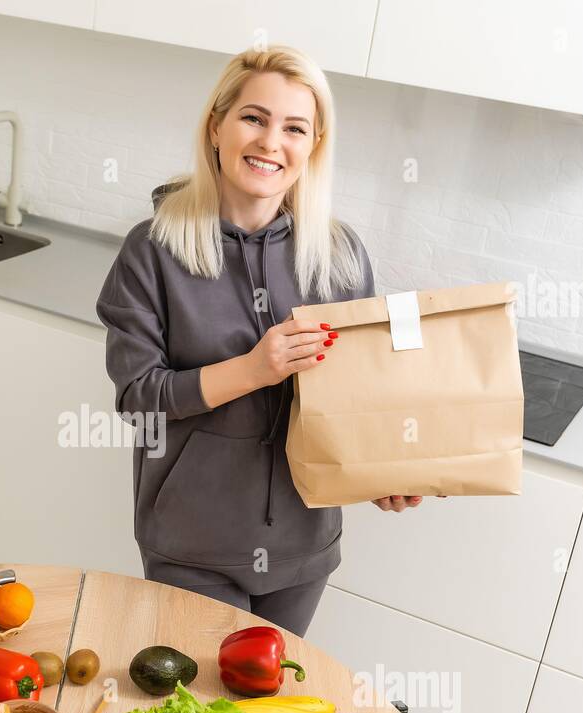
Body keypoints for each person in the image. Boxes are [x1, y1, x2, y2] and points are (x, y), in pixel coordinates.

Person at [95, 45, 426, 638]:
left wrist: (379, 476)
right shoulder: (153, 250)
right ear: (216, 125)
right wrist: (253, 368)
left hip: (305, 546)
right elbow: (138, 397)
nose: (271, 142)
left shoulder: (341, 257)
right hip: (192, 544)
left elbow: (358, 400)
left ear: (313, 146)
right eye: (254, 118)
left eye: (294, 127)